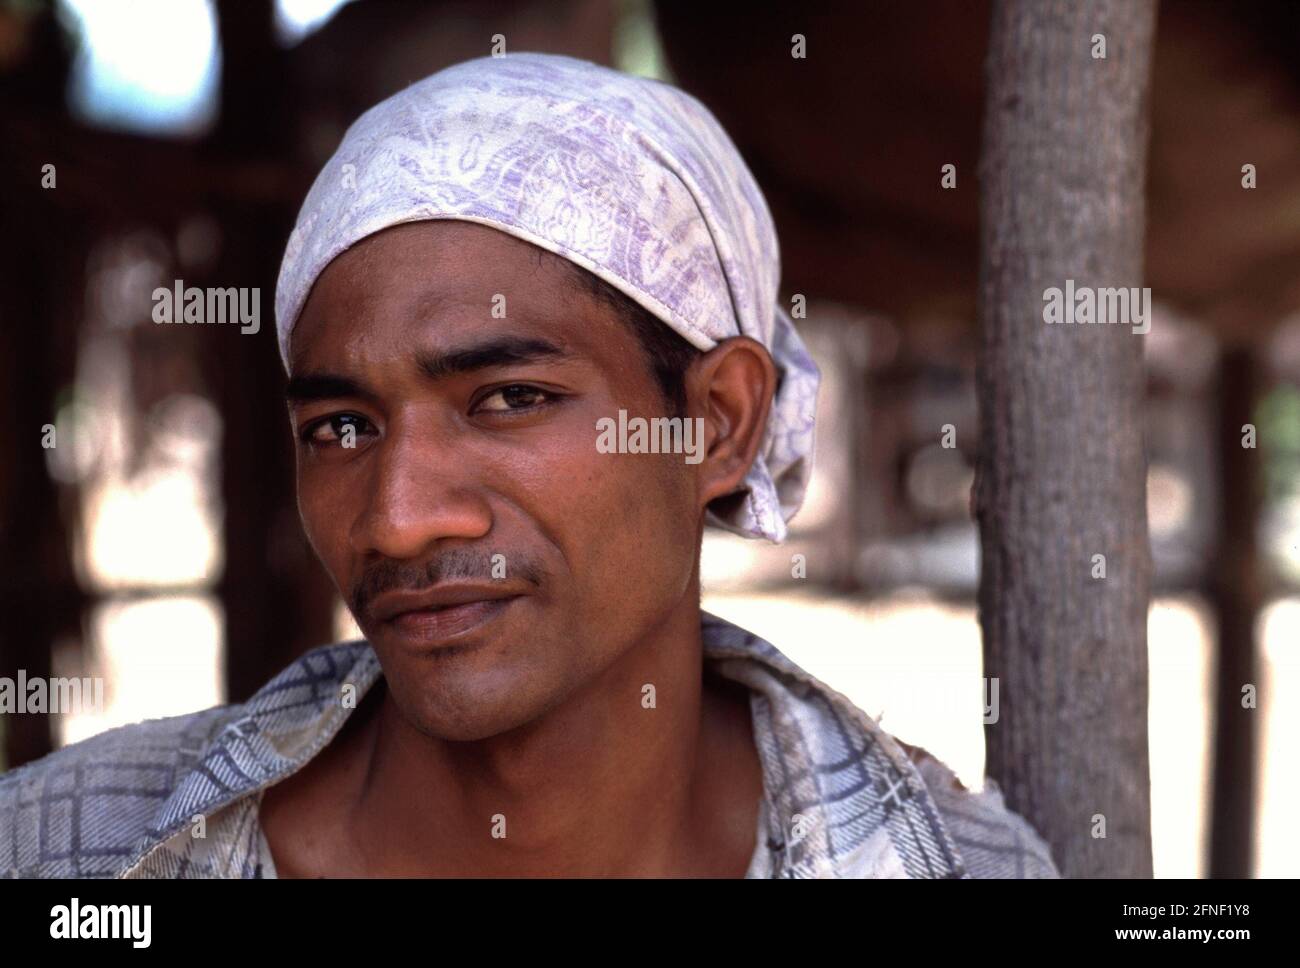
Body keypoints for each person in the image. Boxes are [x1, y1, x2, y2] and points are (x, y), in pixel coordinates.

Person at [0, 52, 1057, 879]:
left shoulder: (964, 867)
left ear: (719, 422)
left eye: (509, 398)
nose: (400, 519)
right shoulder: (64, 852)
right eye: (342, 427)